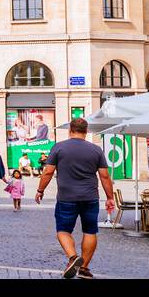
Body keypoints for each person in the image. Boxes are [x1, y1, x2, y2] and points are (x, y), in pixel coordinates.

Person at [36, 117, 116, 279]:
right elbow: (105, 176)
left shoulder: (59, 148)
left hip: (67, 197)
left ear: (70, 130)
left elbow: (48, 172)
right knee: (90, 231)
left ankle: (73, 257)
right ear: (86, 132)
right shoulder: (96, 150)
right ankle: (84, 268)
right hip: (90, 197)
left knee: (63, 230)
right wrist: (110, 197)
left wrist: (40, 190)